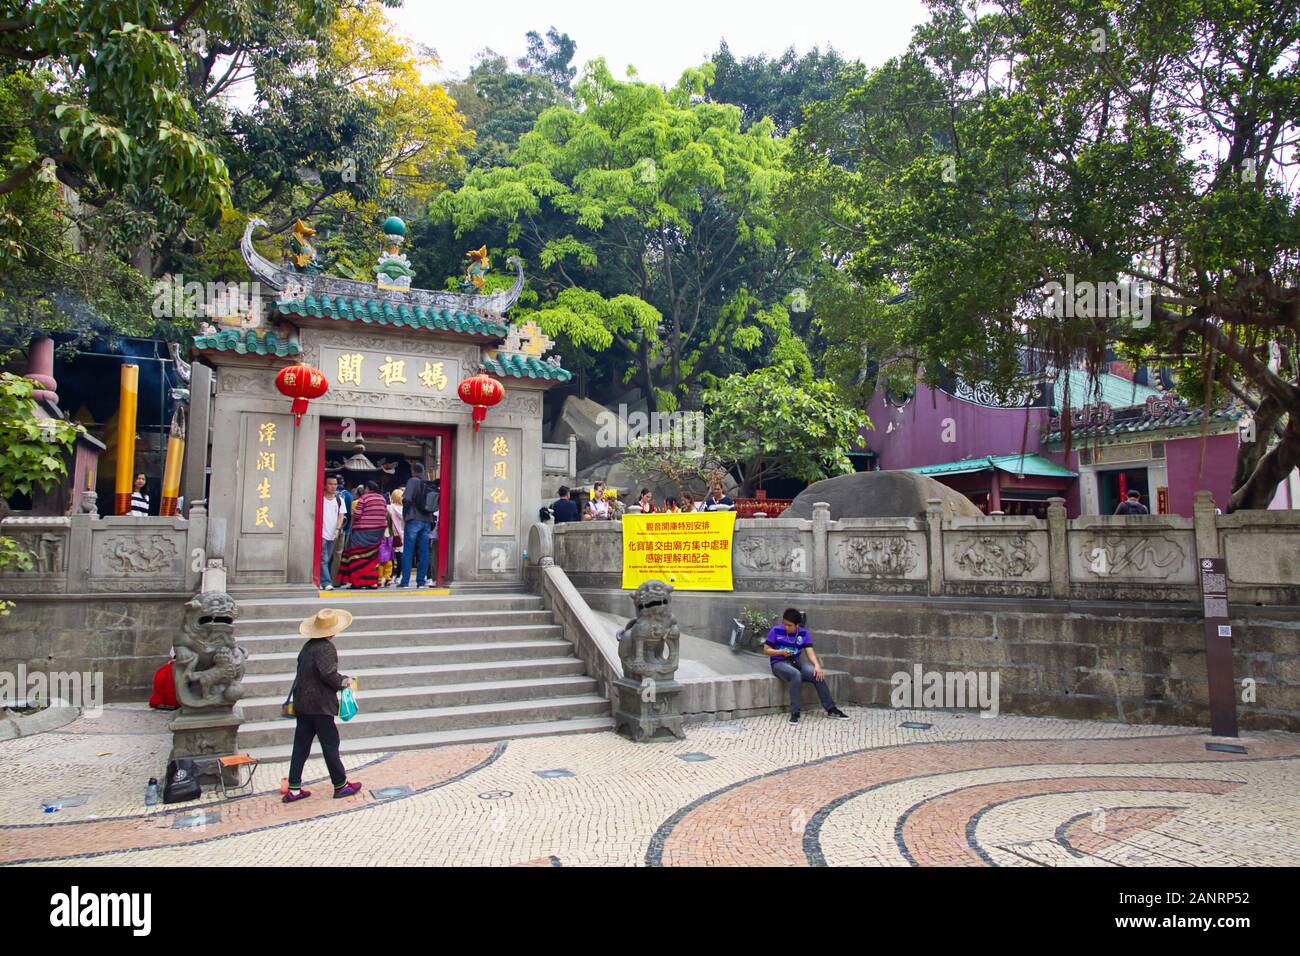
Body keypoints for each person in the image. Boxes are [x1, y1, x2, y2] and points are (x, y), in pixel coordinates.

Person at [284, 608, 363, 803]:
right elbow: (328, 674)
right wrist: (345, 681)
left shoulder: (308, 646)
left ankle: (294, 788)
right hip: (319, 705)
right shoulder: (326, 648)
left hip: (303, 703)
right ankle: (340, 784)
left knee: (301, 746)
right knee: (330, 744)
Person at [763, 608, 849, 724]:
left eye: (789, 625)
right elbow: (766, 650)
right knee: (795, 674)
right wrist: (780, 652)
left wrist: (817, 666)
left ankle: (831, 709)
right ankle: (795, 712)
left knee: (816, 674)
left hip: (795, 662)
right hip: (779, 663)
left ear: (797, 625)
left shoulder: (803, 633)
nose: (786, 627)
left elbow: (810, 651)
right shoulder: (776, 630)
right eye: (785, 624)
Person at [338, 481, 387, 589]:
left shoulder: (364, 498)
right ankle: (372, 582)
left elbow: (357, 514)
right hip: (378, 532)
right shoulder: (382, 498)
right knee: (372, 557)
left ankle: (358, 582)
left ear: (367, 489)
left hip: (363, 531)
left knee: (357, 556)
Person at [400, 462, 436, 588]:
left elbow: (407, 499)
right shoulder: (428, 483)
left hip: (413, 518)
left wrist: (405, 515)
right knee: (424, 551)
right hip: (427, 519)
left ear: (412, 470)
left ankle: (405, 581)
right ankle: (421, 581)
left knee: (408, 551)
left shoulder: (412, 481)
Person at [319, 475, 345, 590]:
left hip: (333, 534)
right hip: (321, 533)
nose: (333, 486)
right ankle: (326, 582)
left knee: (326, 559)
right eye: (330, 484)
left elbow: (341, 516)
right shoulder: (320, 498)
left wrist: (337, 530)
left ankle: (319, 580)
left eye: (335, 484)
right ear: (325, 485)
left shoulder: (339, 500)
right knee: (323, 559)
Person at [384, 488, 405, 587]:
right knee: (401, 556)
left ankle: (390, 576)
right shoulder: (405, 509)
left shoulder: (389, 507)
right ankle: (399, 576)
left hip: (392, 534)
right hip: (403, 534)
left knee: (391, 557)